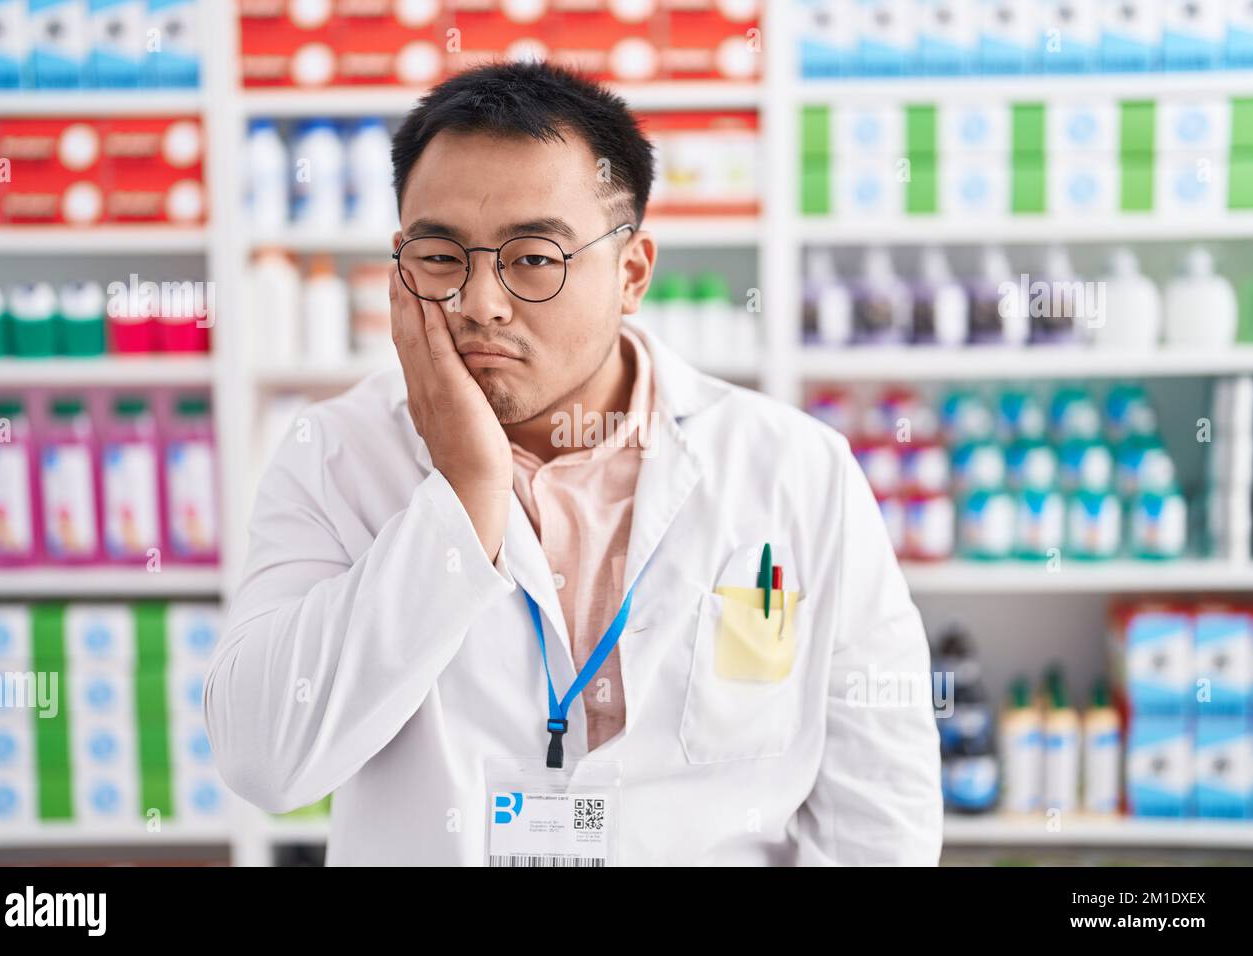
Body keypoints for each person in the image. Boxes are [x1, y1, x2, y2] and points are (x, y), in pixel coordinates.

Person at [206, 60, 942, 866]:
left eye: (533, 258)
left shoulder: (797, 470)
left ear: (632, 273)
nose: (479, 304)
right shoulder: (335, 455)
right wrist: (464, 495)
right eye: (441, 257)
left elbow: (881, 819)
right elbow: (262, 760)